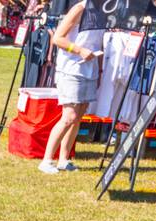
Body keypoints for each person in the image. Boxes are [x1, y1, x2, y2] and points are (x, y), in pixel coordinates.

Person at [40, 0, 101, 174]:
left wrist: (100, 69)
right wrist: (79, 50)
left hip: (90, 69)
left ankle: (64, 159)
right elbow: (58, 38)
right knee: (69, 116)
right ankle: (46, 160)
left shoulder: (103, 12)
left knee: (78, 116)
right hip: (71, 69)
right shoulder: (79, 8)